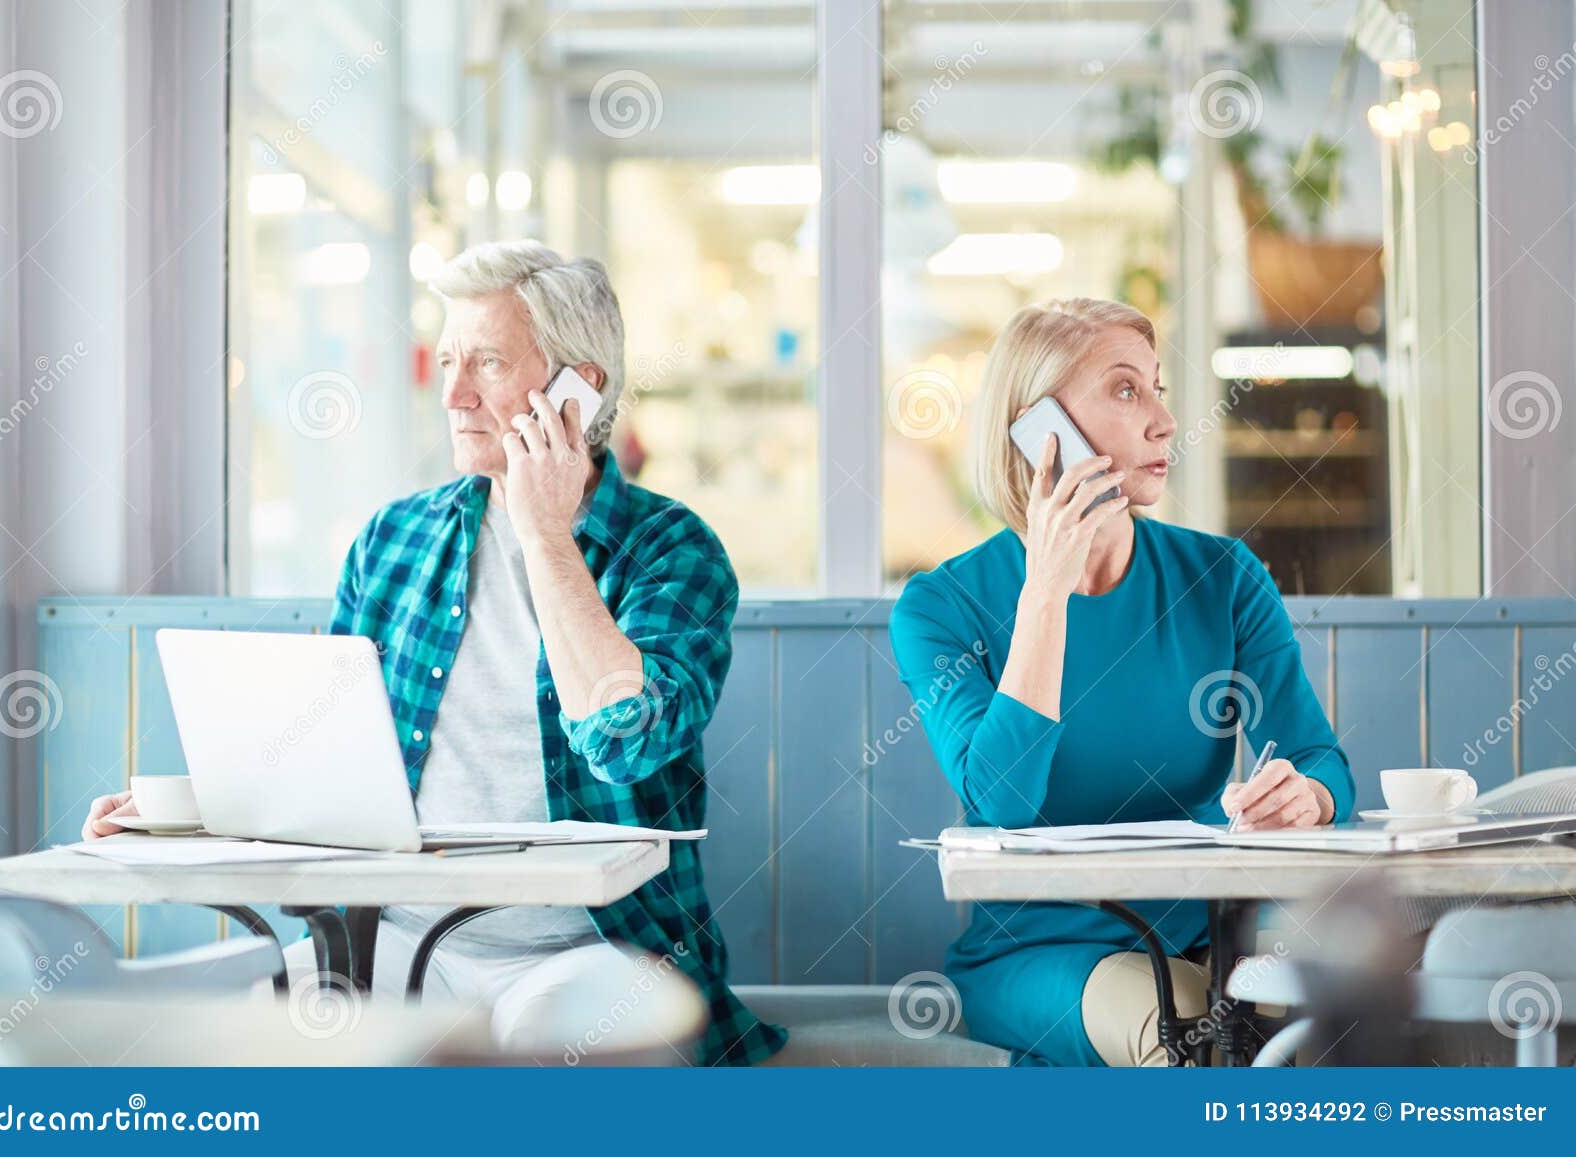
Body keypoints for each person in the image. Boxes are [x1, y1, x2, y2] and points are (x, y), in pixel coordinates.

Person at [84, 240, 786, 1066]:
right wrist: (193, 810)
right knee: (249, 1040)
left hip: (592, 949)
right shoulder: (394, 539)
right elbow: (328, 763)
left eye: (486, 362)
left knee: (556, 1055)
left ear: (577, 387)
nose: (452, 394)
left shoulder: (673, 549)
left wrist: (543, 531)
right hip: (397, 944)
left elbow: (624, 737)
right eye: (449, 360)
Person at [888, 298, 1354, 1067]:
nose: (1165, 421)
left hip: (1215, 932)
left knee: (1333, 1011)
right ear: (1039, 428)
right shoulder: (940, 607)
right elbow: (1003, 799)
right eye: (1127, 390)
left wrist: (1311, 795)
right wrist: (1046, 591)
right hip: (1040, 950)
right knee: (1191, 1028)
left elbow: (1322, 758)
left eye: (1159, 388)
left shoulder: (1224, 578)